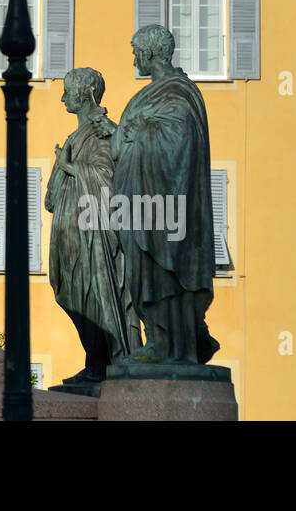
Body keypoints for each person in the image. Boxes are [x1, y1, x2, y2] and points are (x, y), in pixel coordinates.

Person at [111, 25, 219, 364]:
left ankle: (168, 343)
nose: (133, 59)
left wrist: (139, 131)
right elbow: (124, 142)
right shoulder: (154, 93)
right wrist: (124, 132)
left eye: (135, 52)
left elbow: (179, 135)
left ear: (148, 53)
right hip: (138, 202)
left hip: (165, 206)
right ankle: (157, 339)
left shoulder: (178, 91)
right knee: (139, 270)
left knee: (159, 270)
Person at [45, 67, 137, 389]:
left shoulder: (101, 131)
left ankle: (104, 362)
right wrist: (62, 170)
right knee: (72, 295)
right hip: (72, 236)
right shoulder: (75, 135)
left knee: (94, 297)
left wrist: (70, 167)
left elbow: (108, 180)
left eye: (67, 92)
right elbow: (52, 198)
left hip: (93, 235)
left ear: (84, 94)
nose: (62, 98)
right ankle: (95, 362)